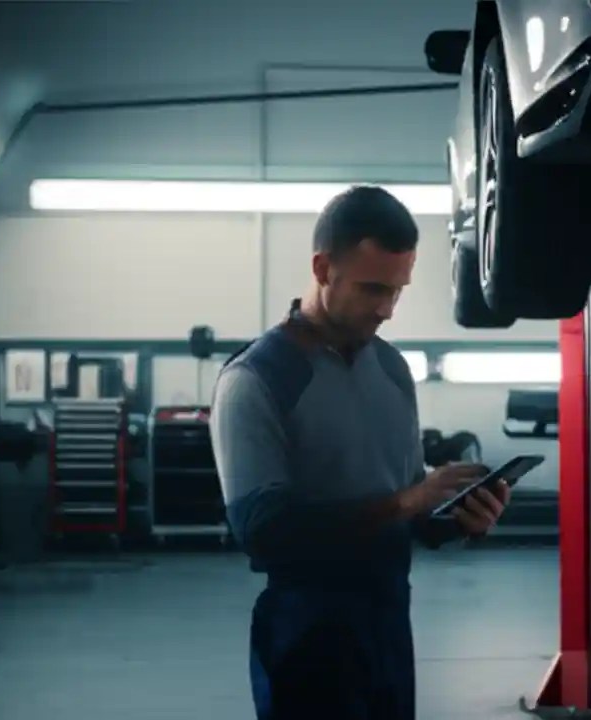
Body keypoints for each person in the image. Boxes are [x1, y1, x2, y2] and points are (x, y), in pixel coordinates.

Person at [209, 185, 512, 720]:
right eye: (373, 289)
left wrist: (459, 516)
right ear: (323, 268)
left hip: (390, 621)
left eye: (398, 290)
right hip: (307, 633)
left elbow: (410, 517)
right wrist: (404, 502)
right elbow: (263, 529)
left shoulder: (393, 371)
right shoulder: (255, 379)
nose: (387, 309)